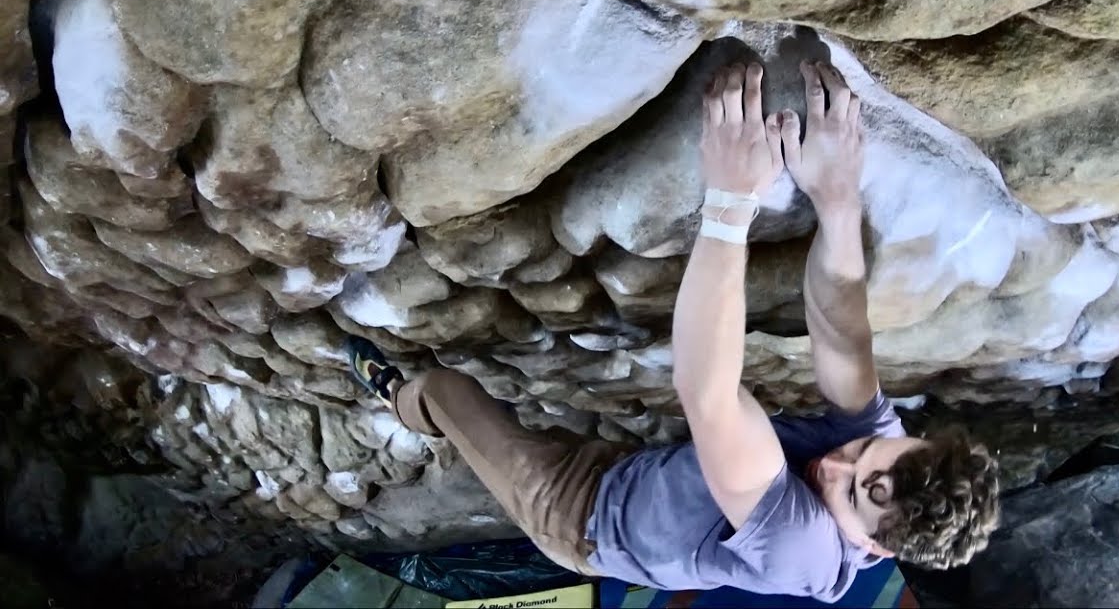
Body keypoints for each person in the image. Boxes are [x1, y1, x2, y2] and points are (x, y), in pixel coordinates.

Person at [346, 60, 1000, 601]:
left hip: (576, 516)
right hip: (642, 476)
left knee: (451, 389)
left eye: (854, 491)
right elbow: (841, 333)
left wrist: (729, 202)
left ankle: (400, 397)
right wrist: (836, 200)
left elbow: (710, 392)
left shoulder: (800, 547)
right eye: (867, 456)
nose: (838, 462)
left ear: (874, 545)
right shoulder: (885, 455)